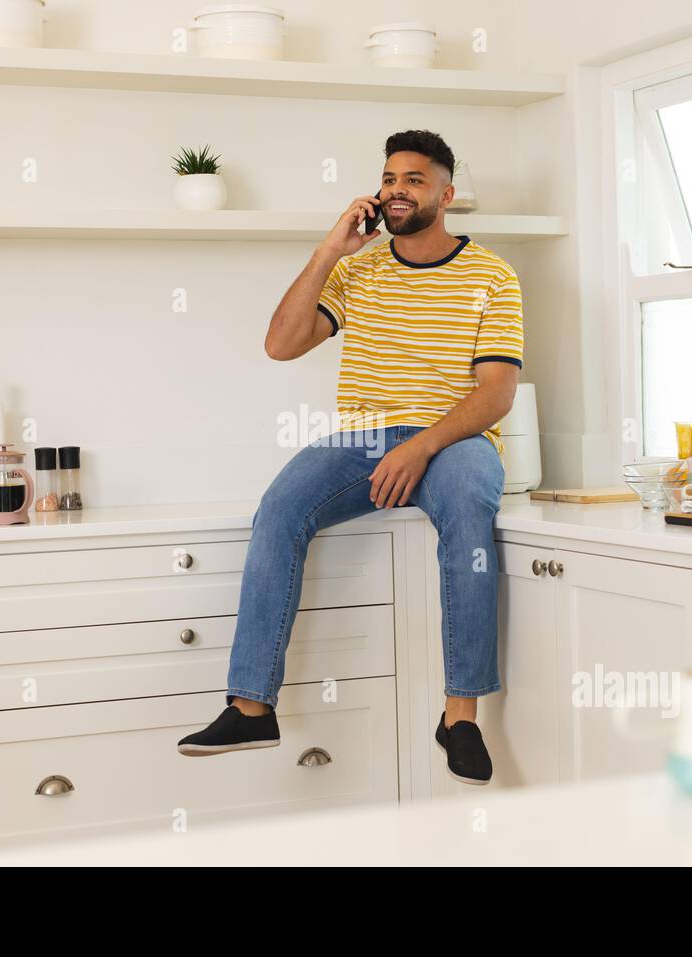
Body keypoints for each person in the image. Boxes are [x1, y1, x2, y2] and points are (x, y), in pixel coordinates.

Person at [176, 130, 524, 785]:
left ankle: (461, 714)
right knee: (279, 506)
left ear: (446, 195)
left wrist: (422, 446)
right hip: (364, 437)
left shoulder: (492, 276)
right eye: (389, 178)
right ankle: (251, 705)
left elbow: (497, 392)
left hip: (452, 439)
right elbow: (280, 344)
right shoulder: (357, 269)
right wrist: (330, 249)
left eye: (414, 179)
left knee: (471, 511)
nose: (397, 189)